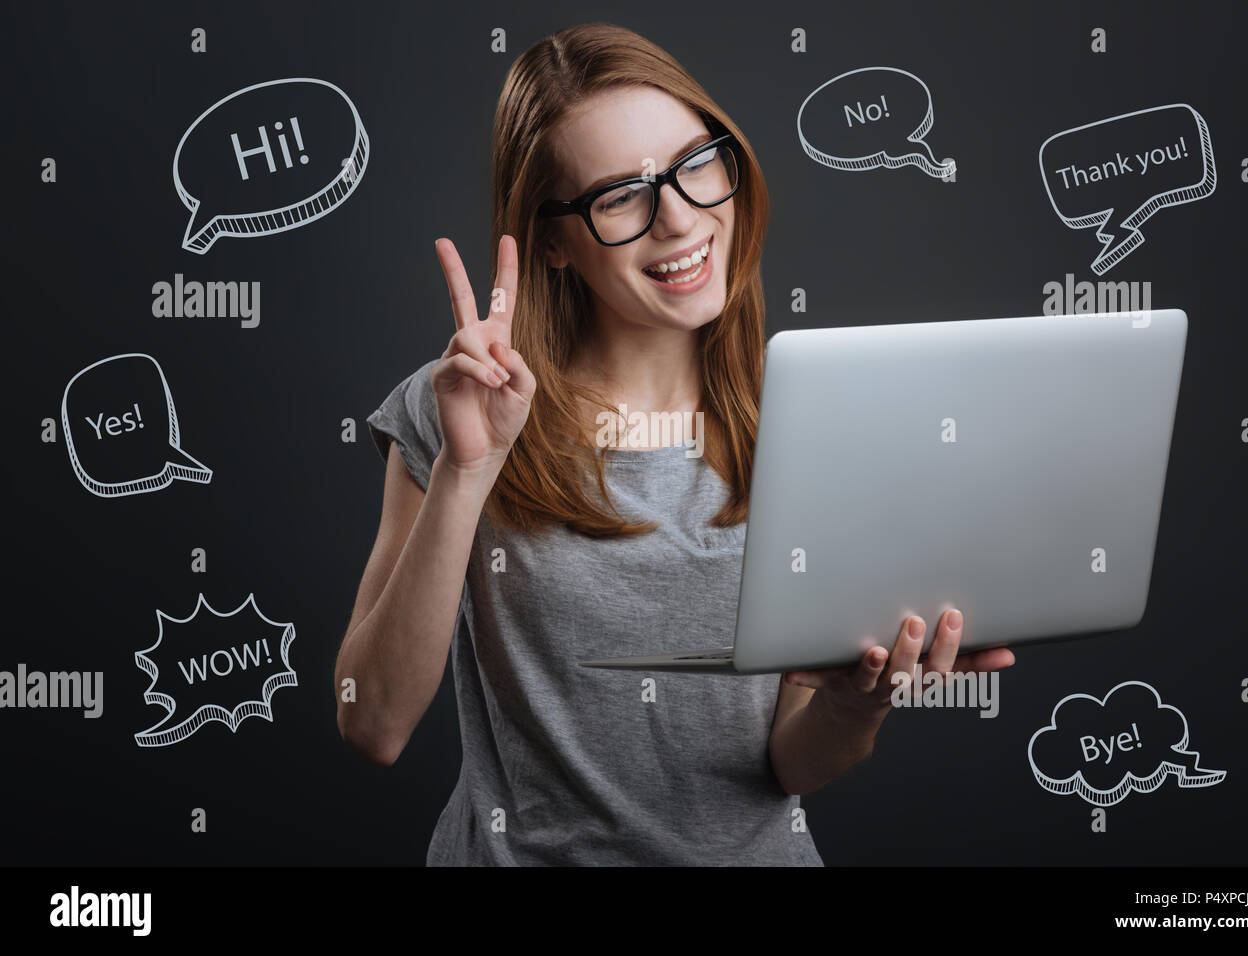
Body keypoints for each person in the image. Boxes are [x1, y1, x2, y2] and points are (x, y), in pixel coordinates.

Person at [334, 22, 1015, 866]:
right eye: (621, 195)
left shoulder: (808, 424)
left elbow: (790, 764)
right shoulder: (454, 412)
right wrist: (467, 471)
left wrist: (855, 702)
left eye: (697, 163)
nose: (681, 219)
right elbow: (374, 723)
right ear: (552, 240)